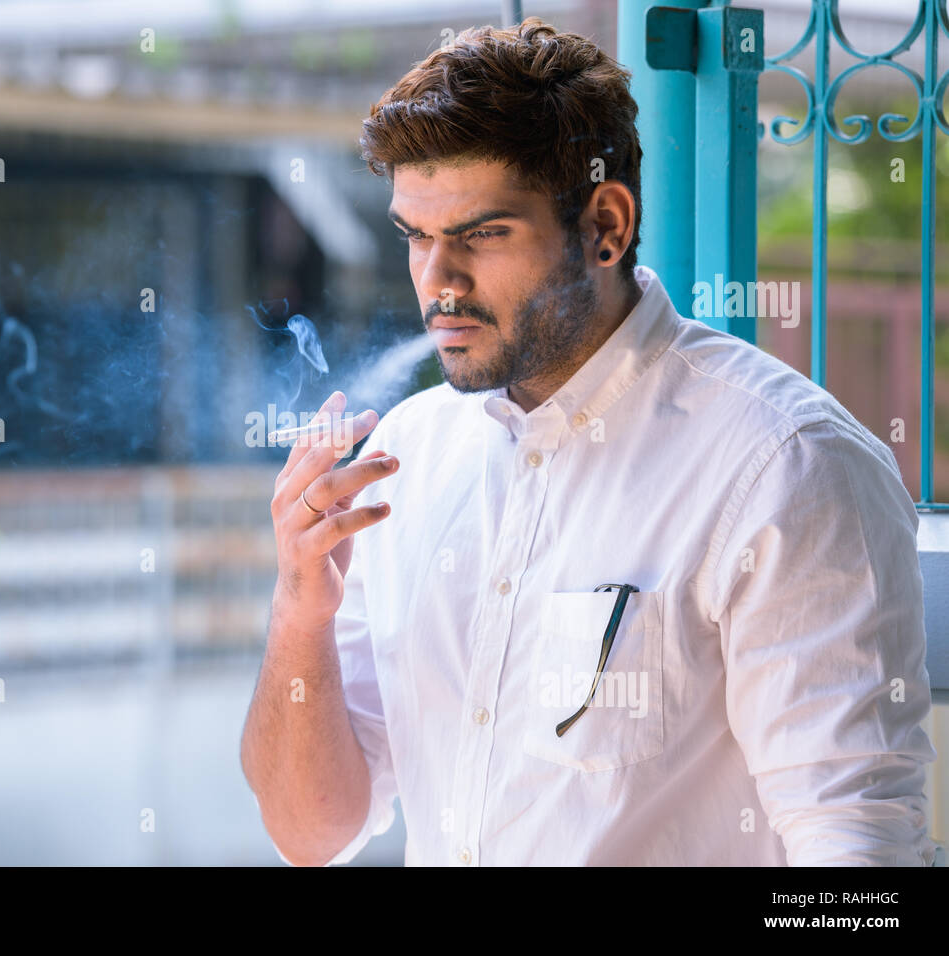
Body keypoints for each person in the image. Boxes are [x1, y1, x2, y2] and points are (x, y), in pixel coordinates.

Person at [239, 18, 938, 866]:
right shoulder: (409, 454)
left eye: (481, 233)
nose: (439, 280)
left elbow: (856, 856)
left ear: (605, 224)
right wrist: (298, 610)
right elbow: (309, 832)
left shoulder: (787, 465)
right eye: (417, 236)